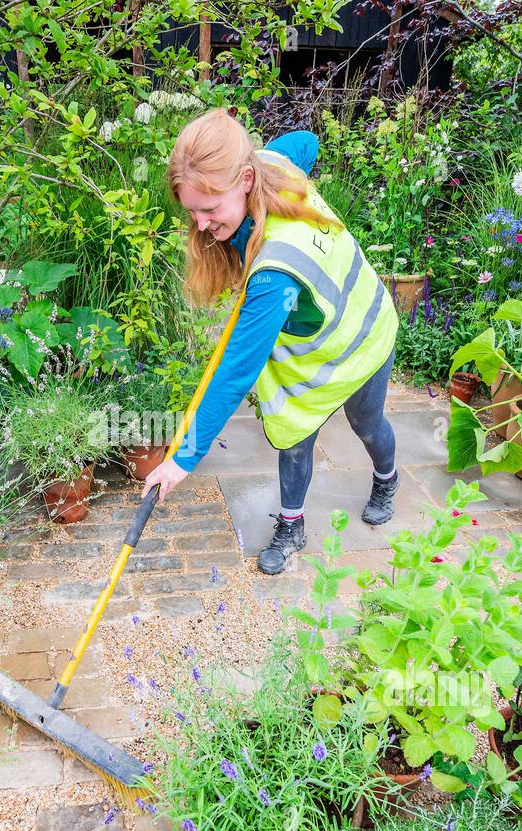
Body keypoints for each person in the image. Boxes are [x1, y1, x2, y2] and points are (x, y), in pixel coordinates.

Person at [140, 108, 399, 575]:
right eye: (192, 211)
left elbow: (235, 372)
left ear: (245, 179)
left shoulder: (274, 271)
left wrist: (182, 459)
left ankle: (387, 478)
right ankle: (292, 526)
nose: (201, 224)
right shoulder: (267, 164)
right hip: (313, 347)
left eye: (210, 209)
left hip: (362, 336)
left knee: (366, 422)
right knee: (294, 434)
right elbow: (306, 142)